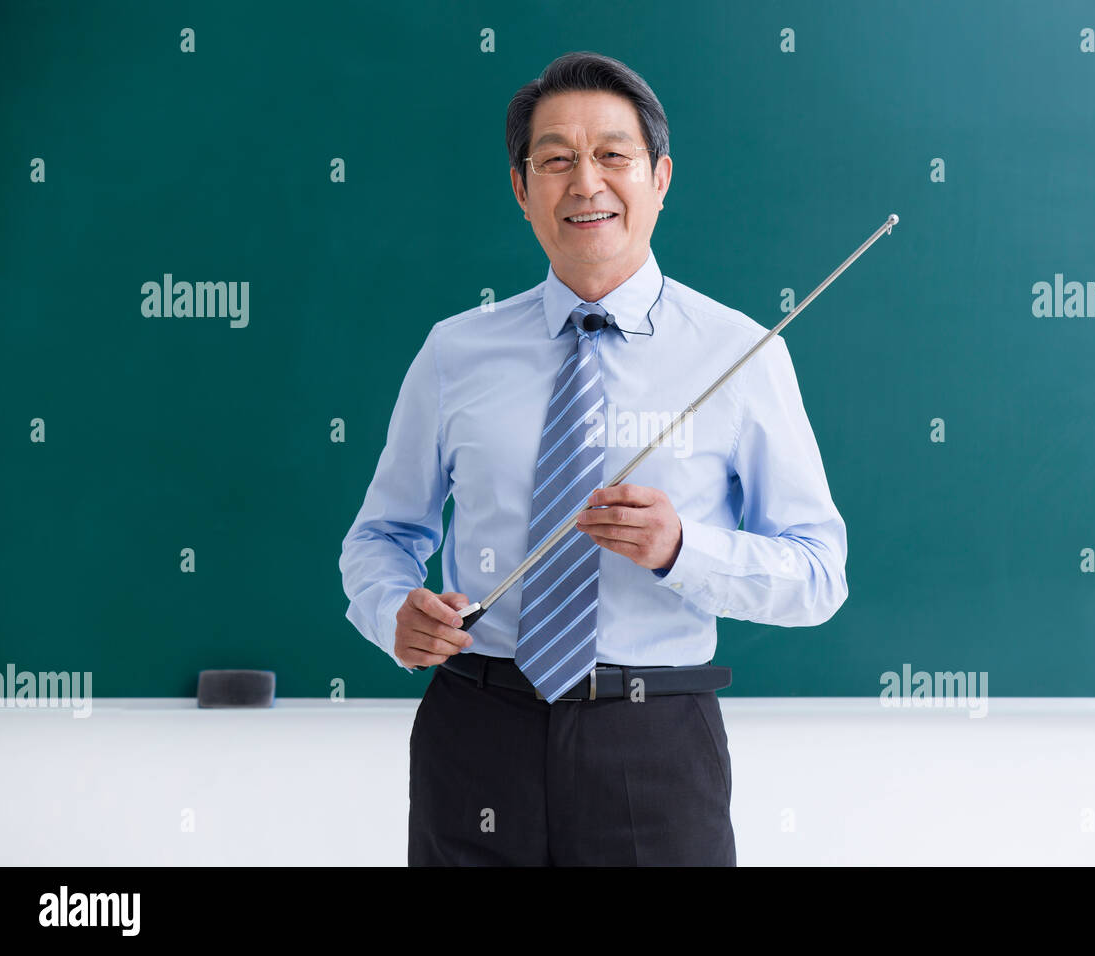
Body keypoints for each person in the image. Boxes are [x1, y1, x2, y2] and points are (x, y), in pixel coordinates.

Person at [339, 50, 848, 866]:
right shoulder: (453, 353)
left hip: (653, 743)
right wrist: (391, 611)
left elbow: (819, 575)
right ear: (522, 188)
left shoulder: (743, 353)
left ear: (660, 176)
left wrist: (685, 549)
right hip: (476, 729)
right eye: (556, 161)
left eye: (613, 155)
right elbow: (380, 537)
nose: (586, 183)